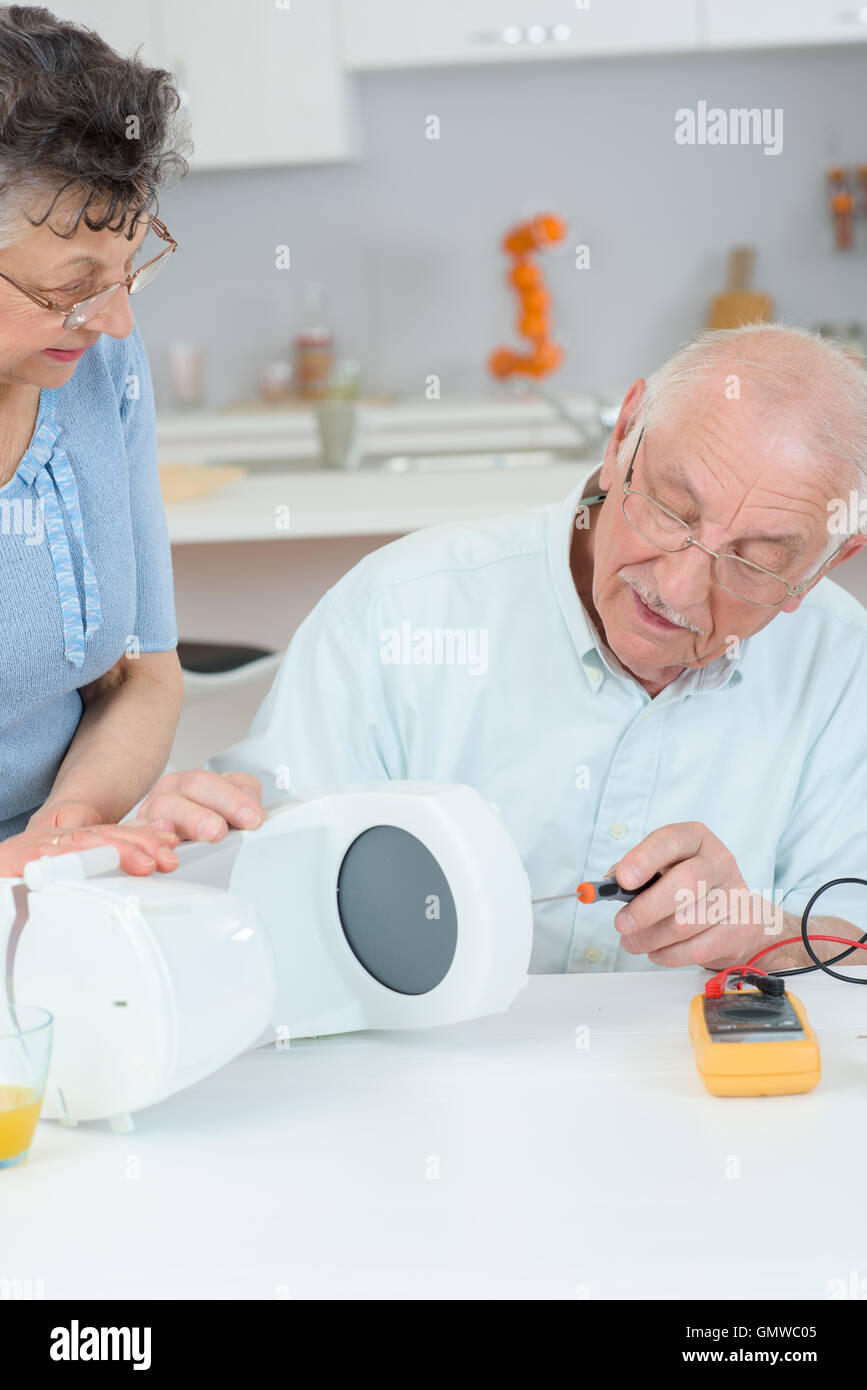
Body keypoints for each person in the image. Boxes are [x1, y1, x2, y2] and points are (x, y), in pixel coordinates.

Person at [139, 324, 867, 975]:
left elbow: (855, 941)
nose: (678, 588)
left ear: (826, 563)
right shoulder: (403, 609)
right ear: (621, 440)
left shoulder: (841, 663)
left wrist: (756, 934)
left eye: (754, 560)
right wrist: (198, 853)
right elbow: (258, 897)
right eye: (672, 510)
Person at [0, 6, 199, 878]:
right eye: (70, 288)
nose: (113, 321)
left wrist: (63, 830)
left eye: (128, 273)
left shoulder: (97, 361)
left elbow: (143, 677)